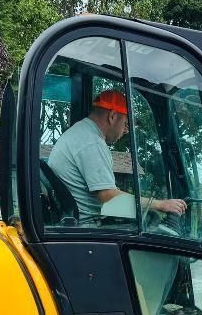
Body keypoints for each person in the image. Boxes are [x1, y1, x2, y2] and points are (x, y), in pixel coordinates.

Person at [48, 89, 187, 225]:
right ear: (113, 116)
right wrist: (160, 204)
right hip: (87, 226)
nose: (126, 131)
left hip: (79, 221)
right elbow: (109, 199)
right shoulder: (91, 143)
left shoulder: (80, 133)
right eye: (126, 124)